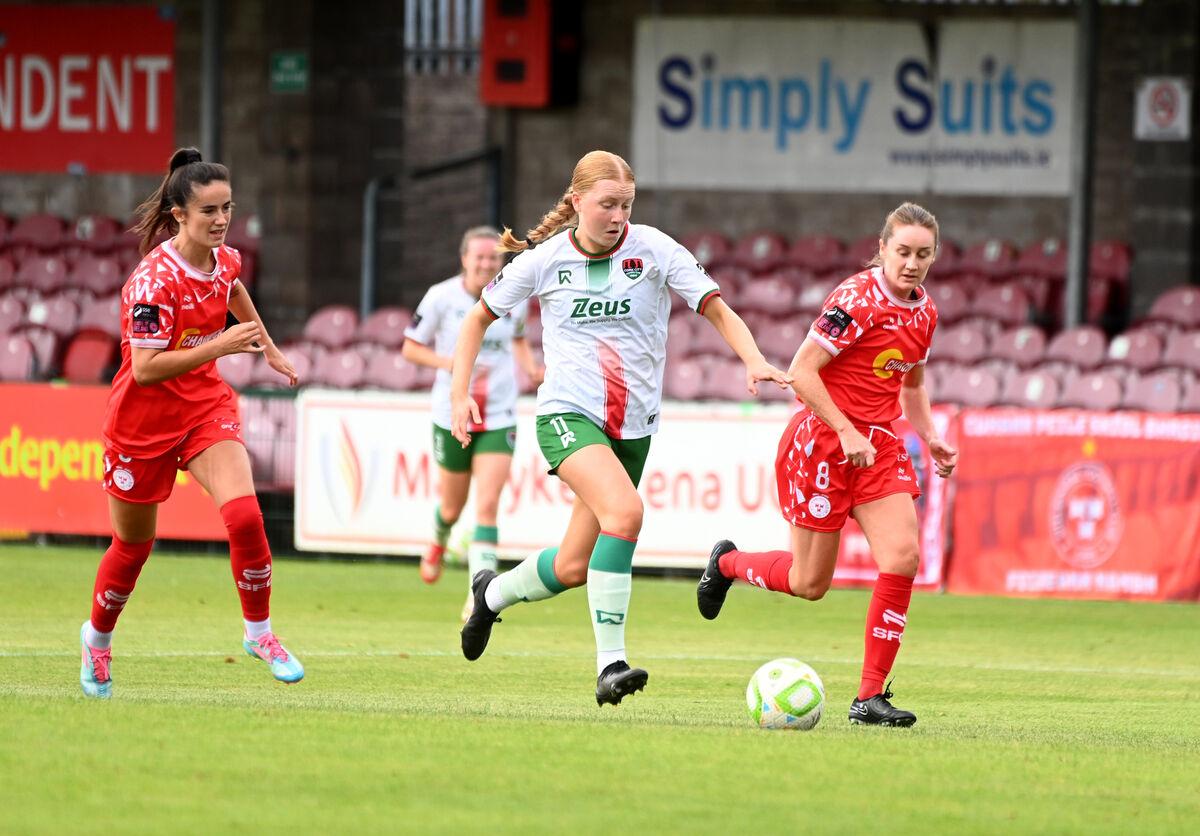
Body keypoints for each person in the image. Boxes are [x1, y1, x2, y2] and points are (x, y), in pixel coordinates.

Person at [449, 150, 792, 705]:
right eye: (607, 204)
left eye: (626, 205)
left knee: (571, 567)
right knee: (627, 513)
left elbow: (717, 308)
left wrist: (752, 359)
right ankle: (611, 664)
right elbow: (476, 319)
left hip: (633, 428)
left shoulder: (655, 248)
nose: (617, 215)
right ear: (577, 201)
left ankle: (489, 595)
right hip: (567, 416)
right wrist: (459, 393)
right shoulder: (544, 261)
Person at [696, 201, 958, 727]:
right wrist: (845, 430)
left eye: (922, 255)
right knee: (810, 583)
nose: (911, 263)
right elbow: (801, 373)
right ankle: (726, 563)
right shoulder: (855, 299)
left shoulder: (924, 312)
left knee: (903, 557)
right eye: (902, 251)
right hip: (822, 439)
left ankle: (868, 698)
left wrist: (930, 436)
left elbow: (912, 384)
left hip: (878, 445)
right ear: (882, 249)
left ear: (934, 257)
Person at [78, 147, 303, 699]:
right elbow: (148, 369)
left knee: (246, 517)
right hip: (141, 422)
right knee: (133, 546)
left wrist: (267, 347)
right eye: (209, 211)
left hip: (204, 407)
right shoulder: (152, 282)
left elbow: (233, 291)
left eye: (227, 207)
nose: (222, 219)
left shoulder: (223, 259)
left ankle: (260, 634)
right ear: (179, 215)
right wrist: (223, 344)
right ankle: (97, 640)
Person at [402, 225, 544, 621]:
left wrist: (531, 368)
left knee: (486, 507)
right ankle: (439, 537)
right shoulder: (440, 297)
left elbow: (516, 337)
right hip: (453, 412)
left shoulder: (513, 296)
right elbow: (410, 347)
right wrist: (452, 362)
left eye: (493, 258)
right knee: (452, 506)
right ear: (464, 259)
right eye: (479, 257)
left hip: (499, 414)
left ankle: (477, 596)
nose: (486, 263)